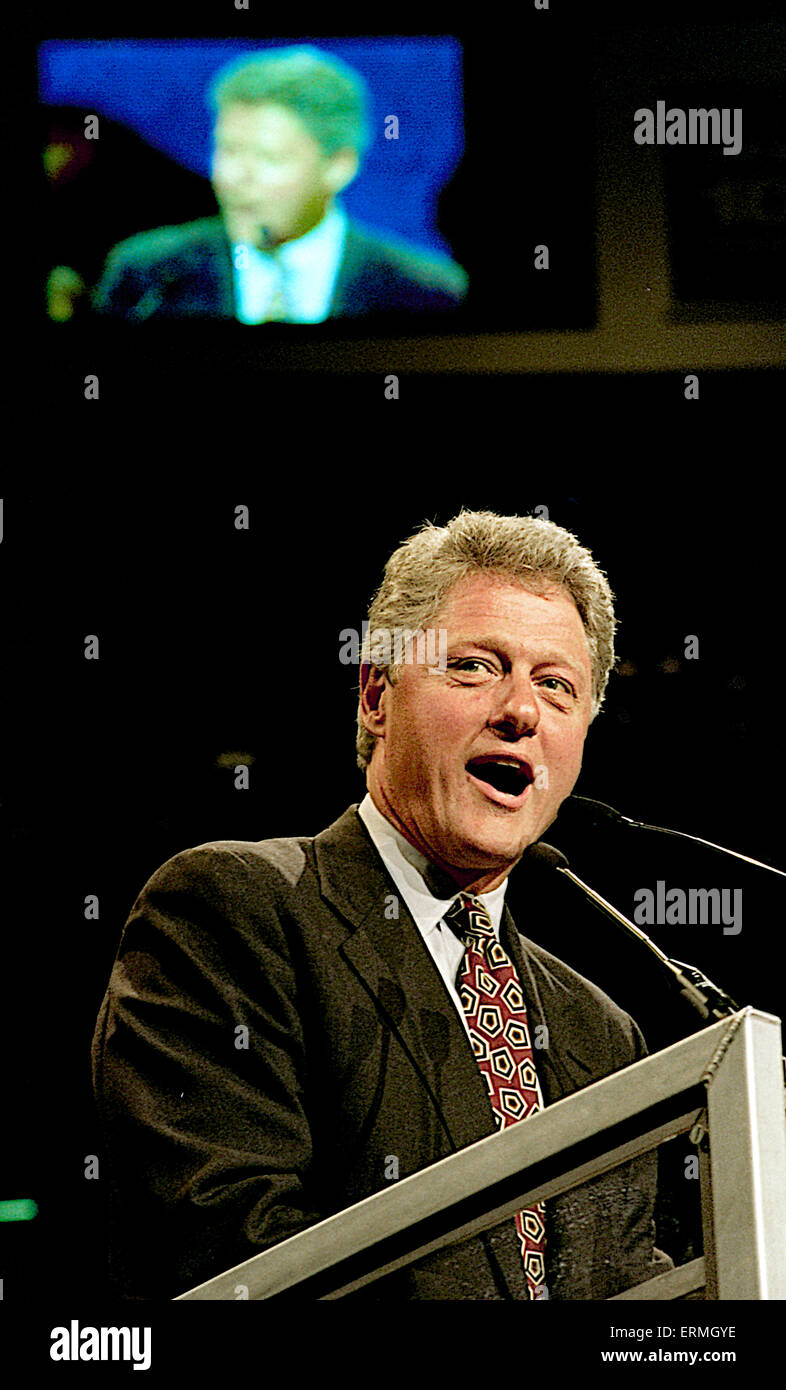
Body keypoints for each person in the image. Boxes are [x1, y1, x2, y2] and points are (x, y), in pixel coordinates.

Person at [92, 509, 668, 1300]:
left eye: (556, 685)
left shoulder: (599, 1032)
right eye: (473, 667)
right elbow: (232, 1252)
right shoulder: (235, 910)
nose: (521, 711)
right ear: (375, 697)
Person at [91, 46, 467, 322]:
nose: (238, 178)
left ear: (339, 166)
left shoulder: (426, 291)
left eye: (269, 158)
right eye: (229, 151)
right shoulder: (146, 274)